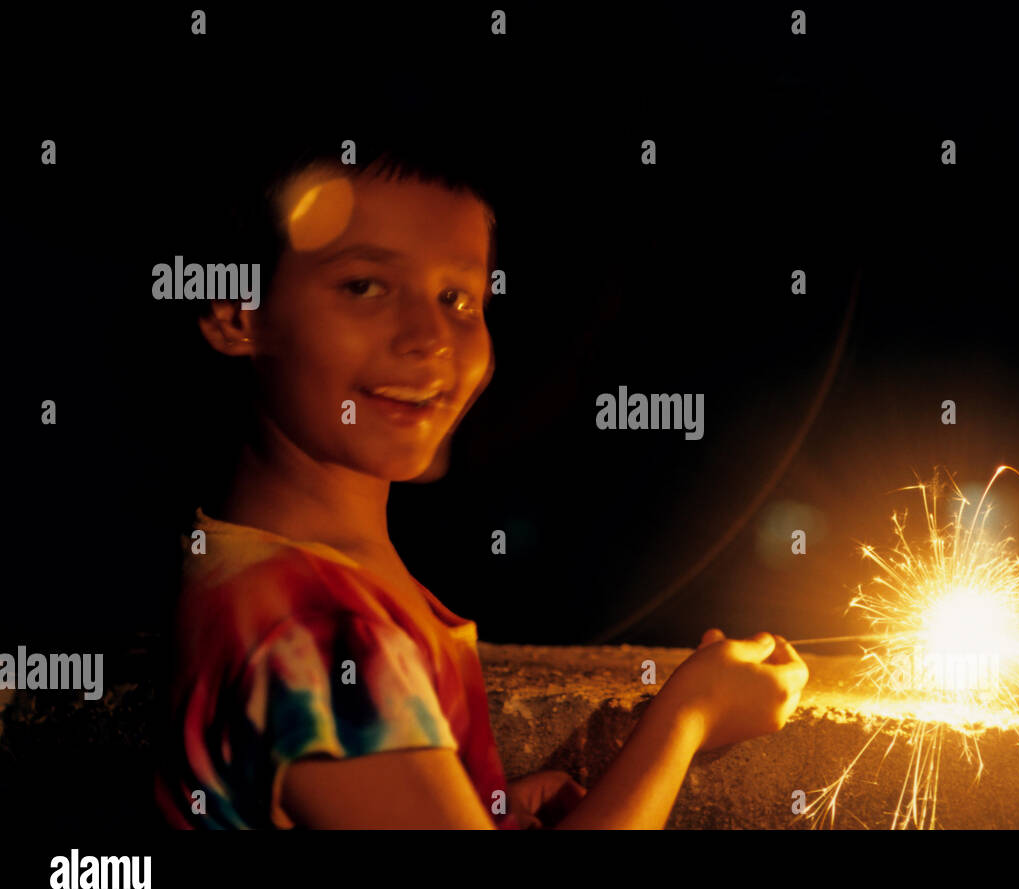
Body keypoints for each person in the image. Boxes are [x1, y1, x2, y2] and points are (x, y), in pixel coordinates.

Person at [155, 138, 808, 829]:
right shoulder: (317, 639)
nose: (430, 337)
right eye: (365, 286)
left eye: (458, 298)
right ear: (237, 314)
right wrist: (688, 716)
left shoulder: (265, 566)